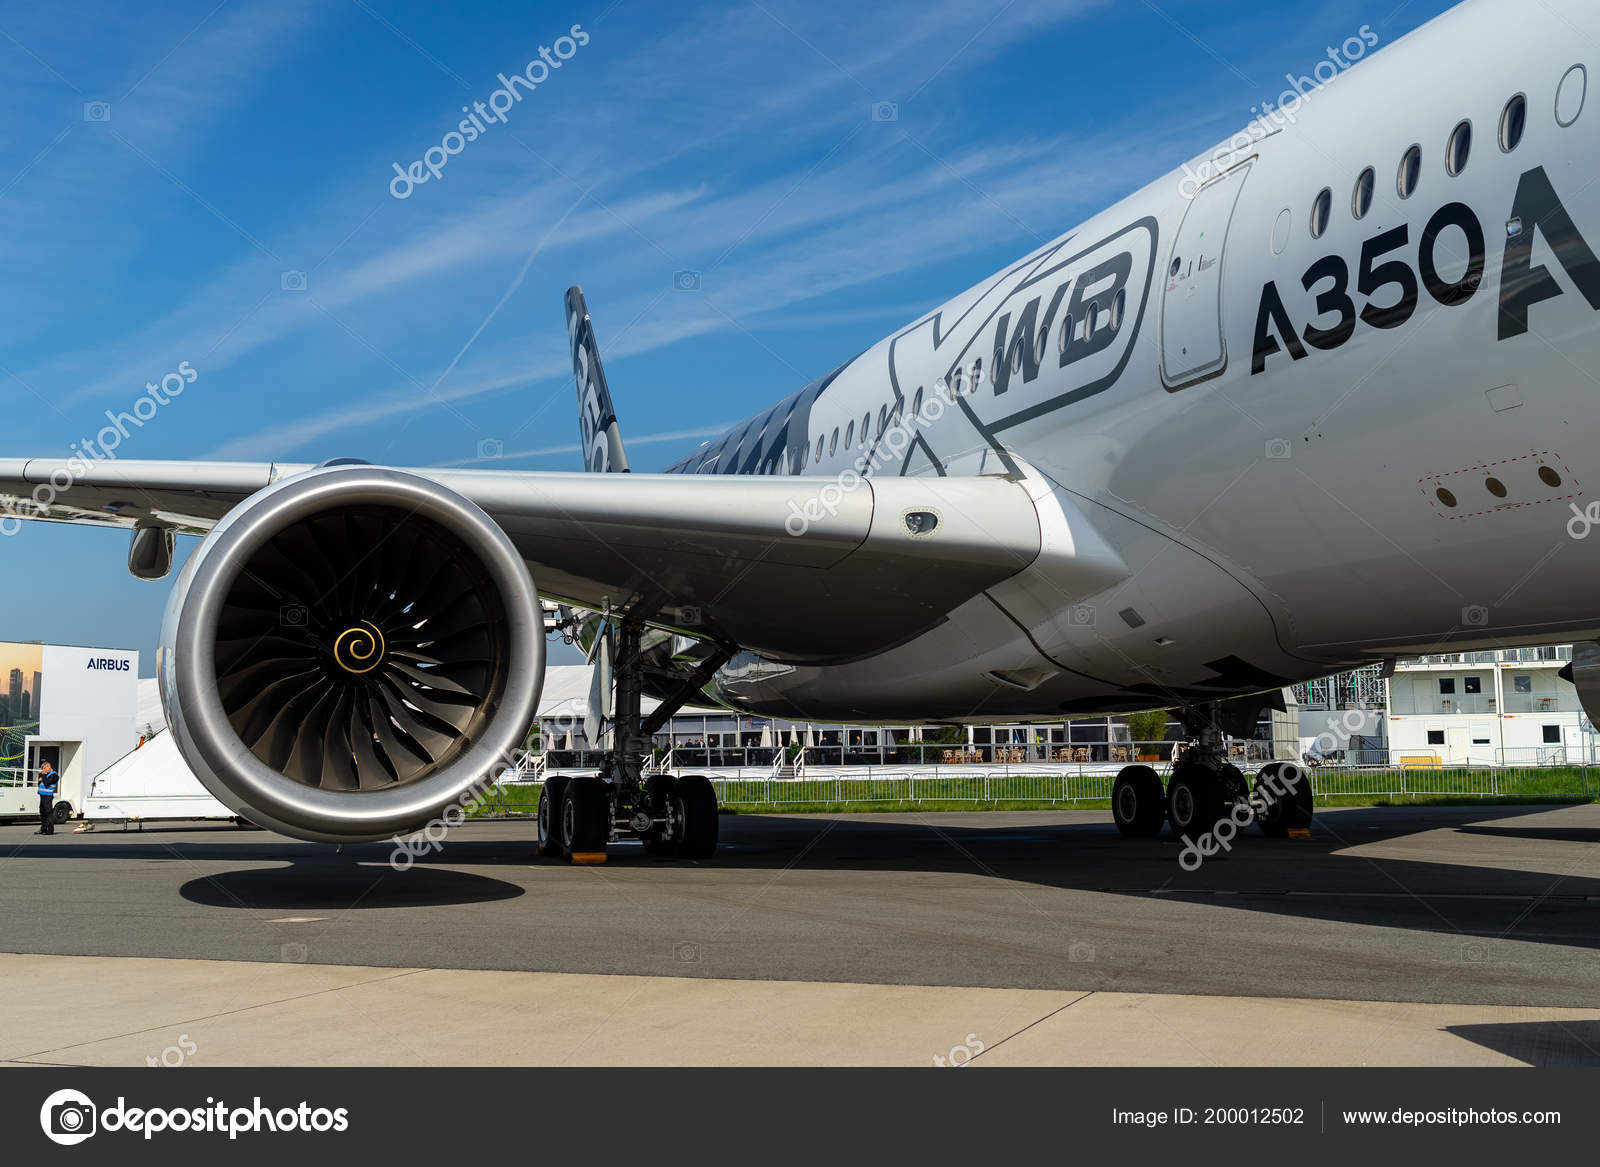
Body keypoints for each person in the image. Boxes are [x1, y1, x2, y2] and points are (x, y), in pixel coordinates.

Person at [37, 760, 58, 835]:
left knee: (48, 812)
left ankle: (50, 830)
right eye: (42, 769)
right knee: (42, 812)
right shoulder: (46, 775)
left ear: (49, 767)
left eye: (44, 768)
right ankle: (43, 828)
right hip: (42, 795)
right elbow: (41, 783)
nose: (43, 770)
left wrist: (42, 776)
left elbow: (47, 783)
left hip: (48, 796)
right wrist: (39, 780)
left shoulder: (54, 775)